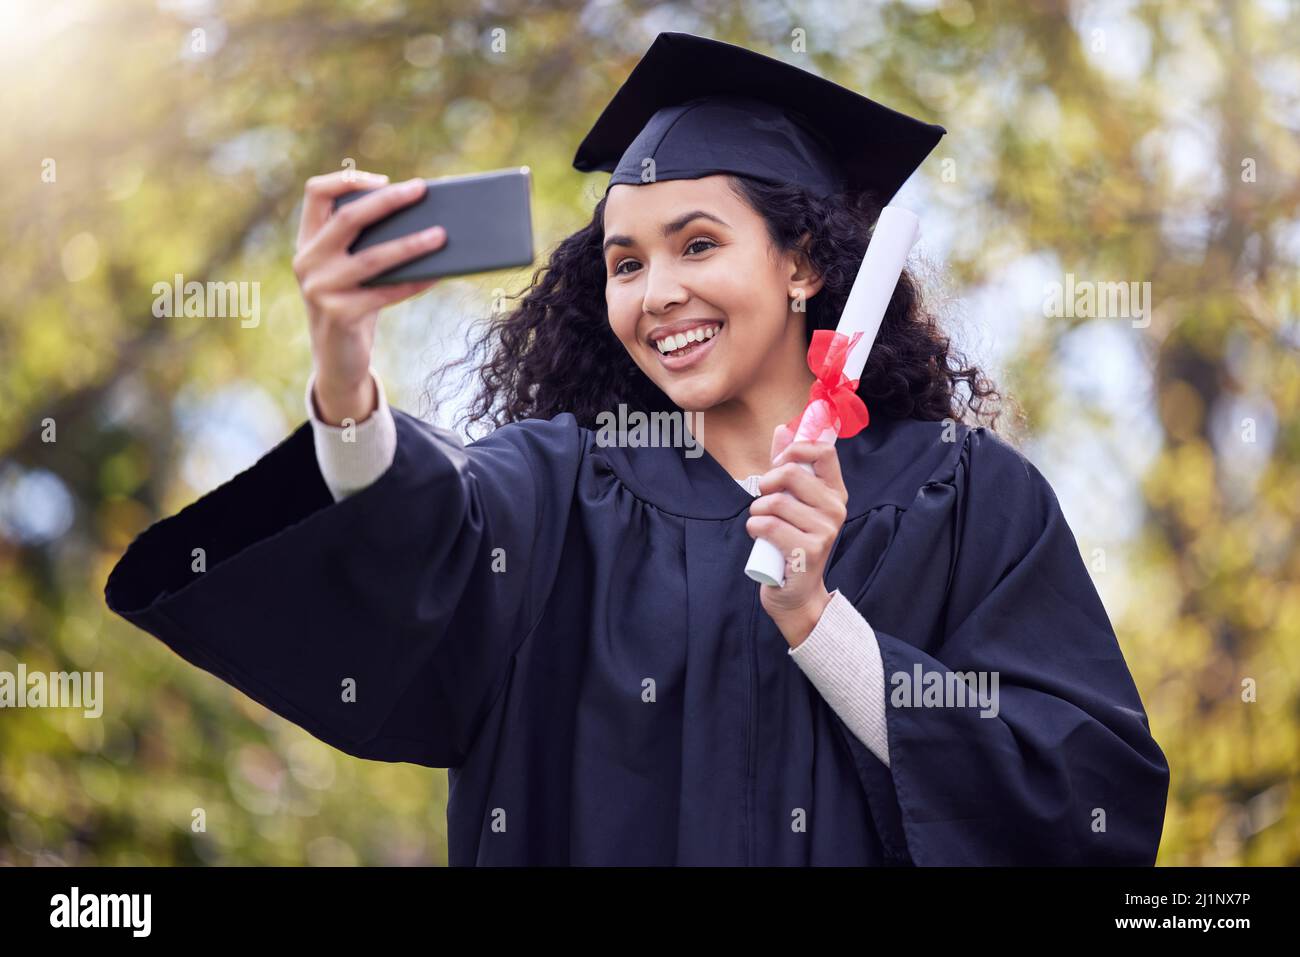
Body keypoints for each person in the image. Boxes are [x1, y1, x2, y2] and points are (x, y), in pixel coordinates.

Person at [104, 32, 1170, 865]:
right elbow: (419, 546)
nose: (658, 293)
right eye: (624, 262)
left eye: (698, 244)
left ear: (802, 263)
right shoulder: (563, 490)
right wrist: (344, 370)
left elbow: (1084, 800)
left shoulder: (966, 496)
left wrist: (821, 623)